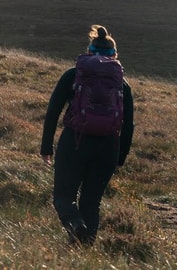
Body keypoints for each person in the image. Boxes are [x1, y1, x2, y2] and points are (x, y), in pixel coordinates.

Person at [40, 24, 135, 245]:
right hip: (108, 147)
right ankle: (84, 249)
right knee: (91, 203)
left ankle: (75, 225)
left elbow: (53, 112)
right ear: (114, 55)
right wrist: (120, 156)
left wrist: (46, 147)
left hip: (74, 142)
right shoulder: (122, 84)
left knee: (63, 197)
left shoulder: (73, 75)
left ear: (89, 52)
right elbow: (128, 124)